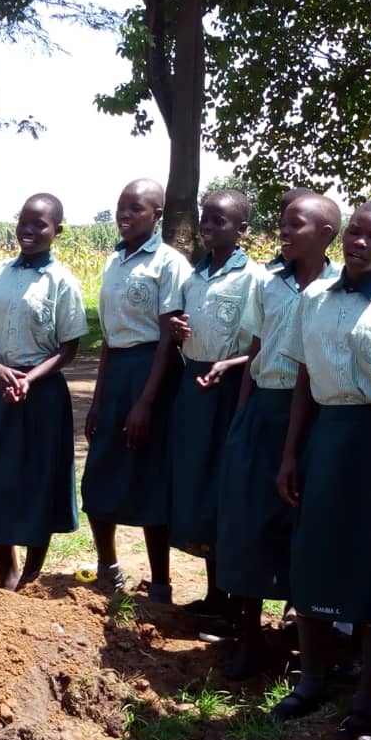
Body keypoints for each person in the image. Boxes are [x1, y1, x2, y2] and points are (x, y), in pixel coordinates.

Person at [271, 200, 371, 733]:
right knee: (314, 551)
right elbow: (304, 380)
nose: (359, 243)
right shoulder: (313, 297)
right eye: (355, 232)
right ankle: (311, 679)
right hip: (326, 435)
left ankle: (367, 695)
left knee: (370, 558)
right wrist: (291, 454)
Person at [214, 193, 342, 680]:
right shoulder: (267, 284)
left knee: (304, 526)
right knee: (249, 524)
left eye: (296, 225)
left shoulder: (339, 288)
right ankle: (249, 639)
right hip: (265, 410)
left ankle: (306, 643)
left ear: (326, 234)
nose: (284, 232)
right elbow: (256, 349)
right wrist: (242, 418)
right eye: (282, 224)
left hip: (316, 414)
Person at [0, 193, 89, 591]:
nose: (29, 230)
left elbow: (68, 347)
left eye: (40, 224)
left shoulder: (62, 281)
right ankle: (7, 571)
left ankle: (32, 572)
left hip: (43, 394)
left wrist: (29, 378)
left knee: (41, 478)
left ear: (58, 230)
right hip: (0, 388)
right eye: (24, 221)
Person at [82, 178, 192, 603]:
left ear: (157, 214)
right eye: (120, 207)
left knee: (150, 478)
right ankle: (108, 569)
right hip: (117, 372)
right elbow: (109, 338)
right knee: (99, 474)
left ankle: (161, 584)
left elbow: (167, 338)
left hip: (153, 373)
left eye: (136, 208)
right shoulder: (114, 261)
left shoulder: (168, 263)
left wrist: (145, 402)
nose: (124, 215)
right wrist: (98, 400)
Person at [167, 190, 263, 614]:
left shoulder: (254, 279)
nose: (207, 226)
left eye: (219, 220)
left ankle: (236, 600)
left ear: (241, 229)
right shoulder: (193, 277)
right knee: (199, 487)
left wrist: (230, 366)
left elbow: (261, 344)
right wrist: (178, 334)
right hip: (195, 386)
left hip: (232, 387)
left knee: (226, 488)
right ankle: (214, 592)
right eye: (204, 218)